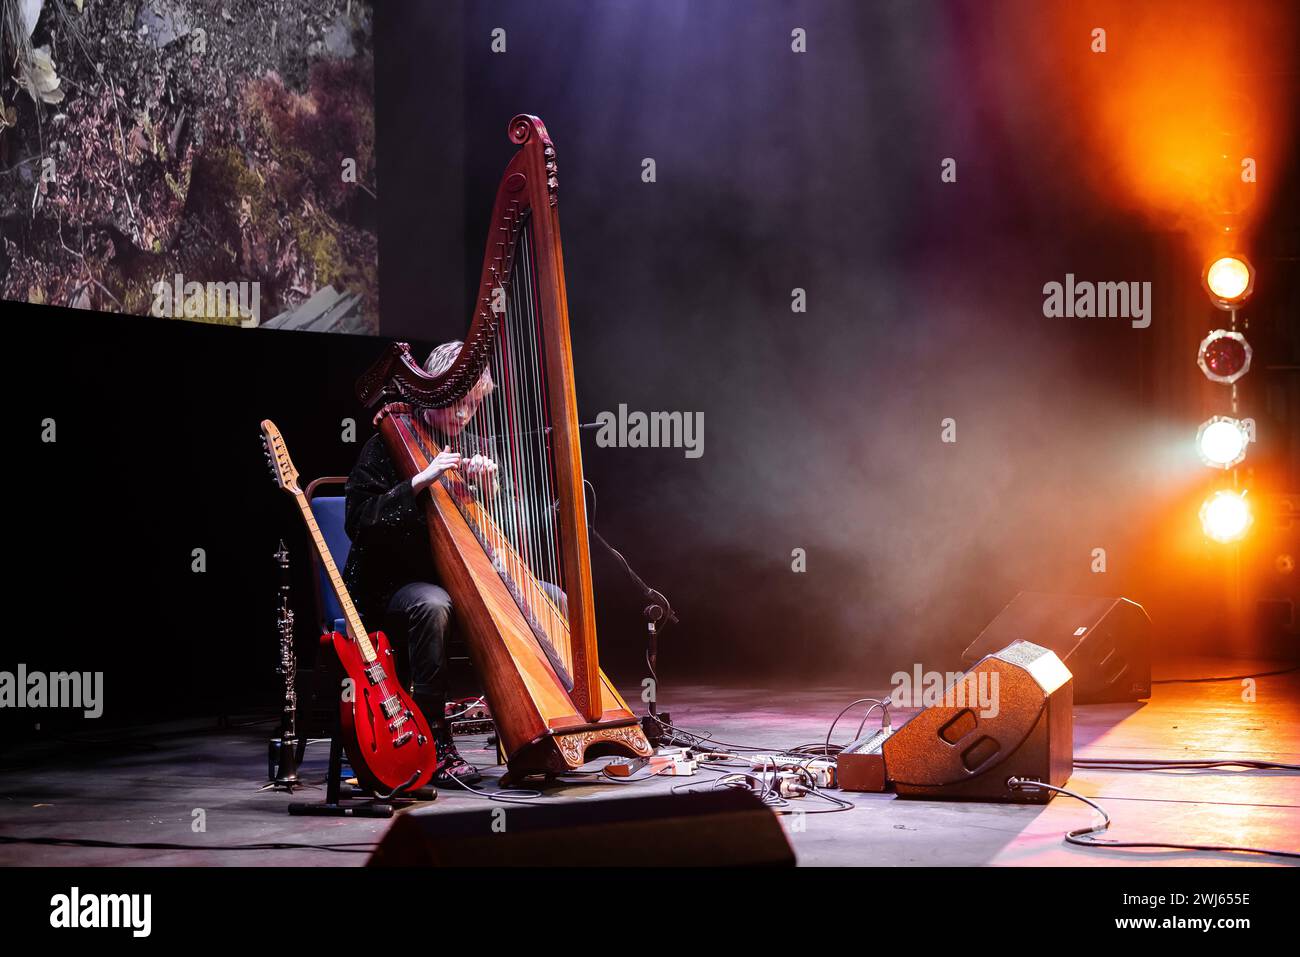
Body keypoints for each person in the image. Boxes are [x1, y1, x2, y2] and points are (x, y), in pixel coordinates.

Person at [342, 340, 497, 786]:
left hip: (461, 583)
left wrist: (489, 491)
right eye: (459, 405)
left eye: (473, 406)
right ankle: (435, 738)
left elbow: (496, 534)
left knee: (554, 597)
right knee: (433, 605)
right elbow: (359, 522)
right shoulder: (383, 446)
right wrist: (418, 482)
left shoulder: (469, 447)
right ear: (434, 394)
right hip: (390, 585)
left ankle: (549, 720)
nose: (465, 417)